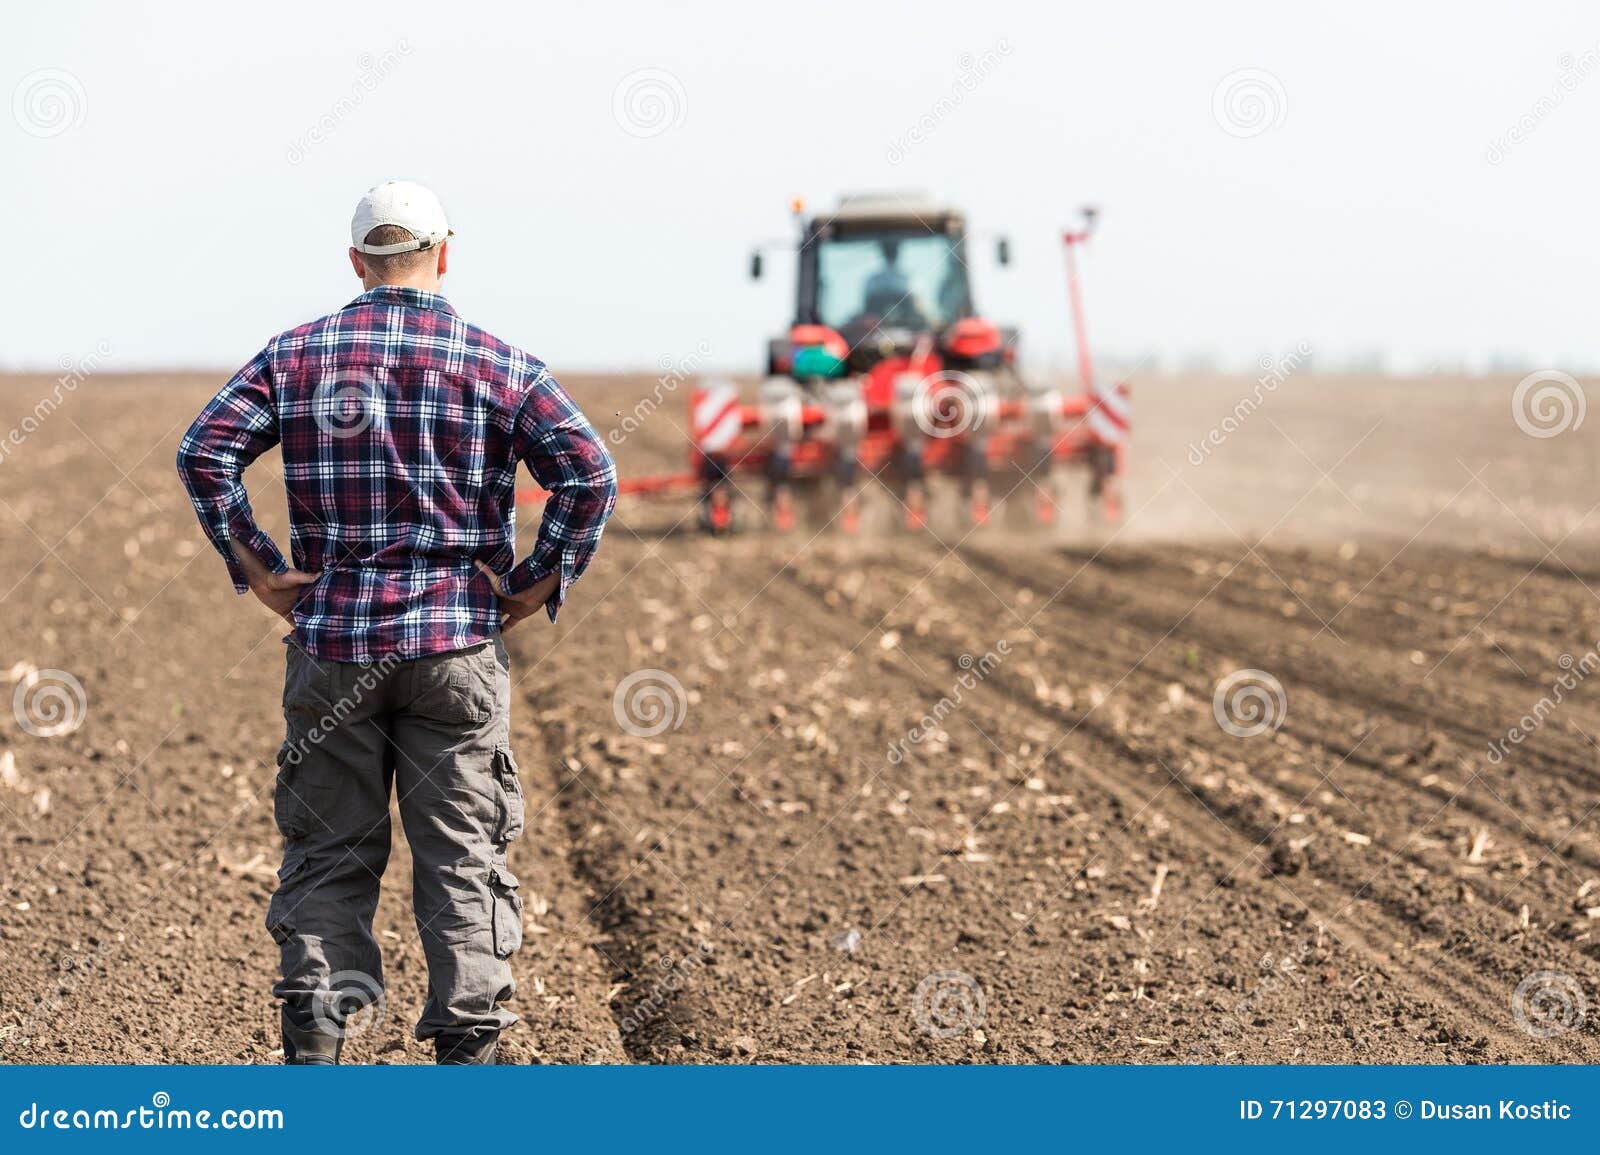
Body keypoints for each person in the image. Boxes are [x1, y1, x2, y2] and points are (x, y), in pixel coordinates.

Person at [175, 180, 618, 1065]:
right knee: (462, 855)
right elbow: (590, 473)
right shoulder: (498, 361)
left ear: (356, 264)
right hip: (456, 645)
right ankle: (469, 1064)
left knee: (328, 854)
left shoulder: (297, 355)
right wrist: (534, 583)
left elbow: (205, 450)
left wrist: (258, 566)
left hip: (334, 647)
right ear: (444, 254)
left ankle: (316, 1061)